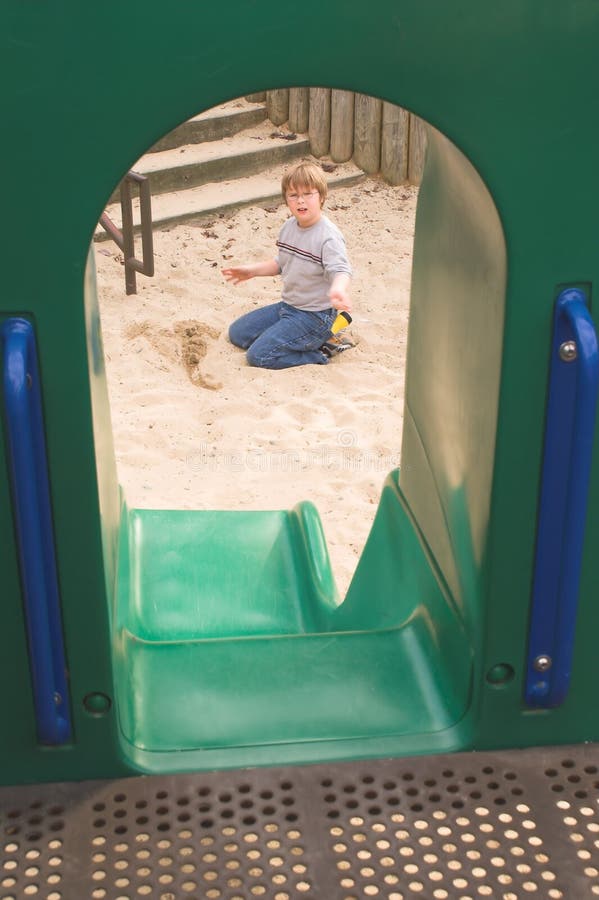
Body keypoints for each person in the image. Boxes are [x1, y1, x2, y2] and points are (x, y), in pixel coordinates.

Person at [223, 161, 353, 368]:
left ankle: (320, 351)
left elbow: (341, 269)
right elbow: (281, 263)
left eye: (308, 194)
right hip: (288, 307)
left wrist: (338, 289)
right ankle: (301, 341)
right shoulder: (288, 228)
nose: (300, 201)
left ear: (321, 197)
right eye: (293, 195)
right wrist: (252, 271)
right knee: (237, 334)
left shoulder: (328, 236)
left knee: (259, 356)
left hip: (315, 316)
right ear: (286, 200)